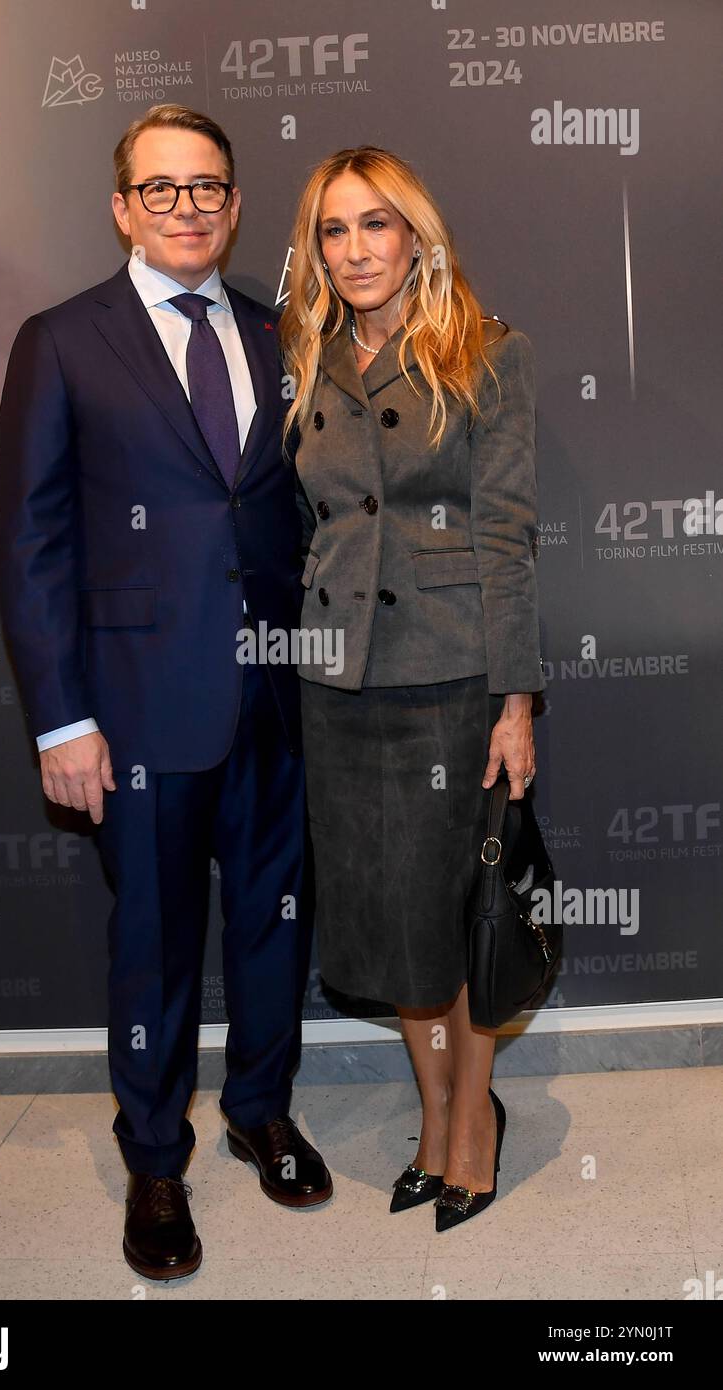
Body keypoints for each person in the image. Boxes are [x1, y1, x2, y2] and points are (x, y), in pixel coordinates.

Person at [0, 105, 331, 1283]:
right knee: (152, 942)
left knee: (272, 921)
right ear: (122, 206)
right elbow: (31, 542)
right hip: (134, 710)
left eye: (207, 187)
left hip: (277, 699)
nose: (186, 205)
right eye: (161, 187)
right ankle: (153, 1158)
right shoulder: (62, 339)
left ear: (235, 207)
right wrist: (60, 716)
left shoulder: (280, 331)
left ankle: (260, 1110)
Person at [281, 146, 545, 1231]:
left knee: (455, 911)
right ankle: (431, 1114)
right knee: (391, 925)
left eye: (374, 225)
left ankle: (471, 1120)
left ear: (415, 236)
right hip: (339, 680)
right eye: (333, 230)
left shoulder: (487, 355)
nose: (353, 250)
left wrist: (515, 699)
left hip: (451, 670)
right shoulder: (306, 359)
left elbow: (508, 535)